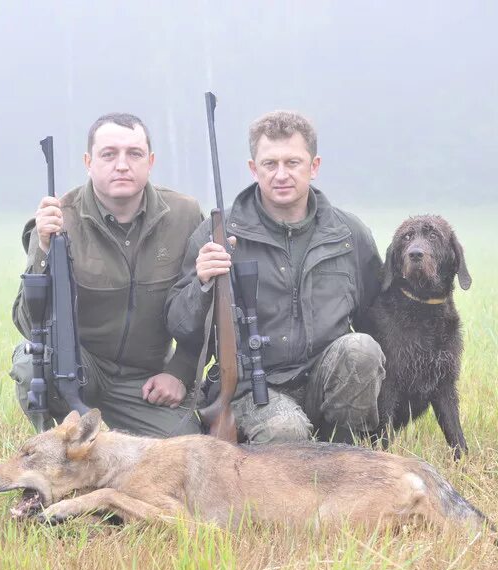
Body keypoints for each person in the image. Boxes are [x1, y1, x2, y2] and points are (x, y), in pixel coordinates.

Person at [165, 110, 385, 444]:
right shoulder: (215, 236)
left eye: (293, 163)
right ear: (254, 169)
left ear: (315, 166)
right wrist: (203, 283)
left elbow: (378, 321)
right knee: (285, 431)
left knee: (362, 349)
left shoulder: (349, 235)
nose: (281, 175)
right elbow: (179, 325)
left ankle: (344, 451)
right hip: (252, 386)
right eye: (270, 164)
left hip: (321, 381)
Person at [10, 113, 203, 437]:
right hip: (80, 369)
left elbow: (203, 306)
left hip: (147, 378)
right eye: (109, 154)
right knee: (34, 362)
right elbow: (29, 323)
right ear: (89, 161)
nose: (122, 165)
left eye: (134, 154)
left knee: (183, 453)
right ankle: (52, 450)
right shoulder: (58, 221)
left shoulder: (185, 215)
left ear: (150, 161)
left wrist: (179, 372)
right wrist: (42, 248)